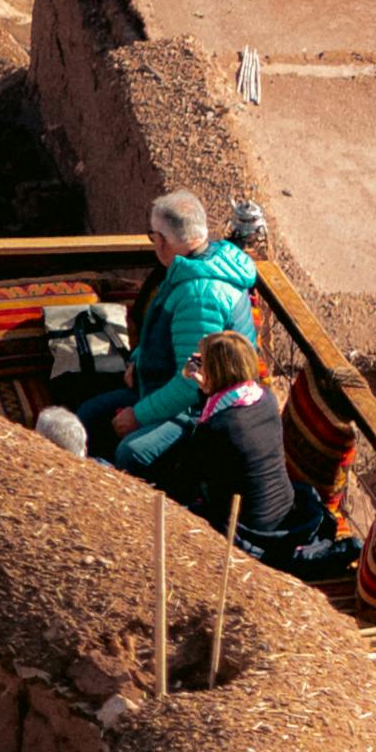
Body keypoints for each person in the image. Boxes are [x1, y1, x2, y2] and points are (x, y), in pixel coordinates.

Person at [113, 186, 264, 468]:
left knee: (129, 453)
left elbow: (190, 384)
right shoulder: (200, 262)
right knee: (91, 411)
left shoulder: (199, 296)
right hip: (161, 382)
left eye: (153, 236)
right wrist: (139, 359)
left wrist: (138, 416)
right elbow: (168, 338)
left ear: (161, 242)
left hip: (199, 410)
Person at [150, 330, 297, 546]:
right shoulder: (265, 398)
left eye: (204, 362)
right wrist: (206, 387)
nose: (197, 364)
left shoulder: (217, 428)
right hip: (281, 511)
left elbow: (183, 483)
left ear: (215, 371)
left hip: (247, 527)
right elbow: (224, 405)